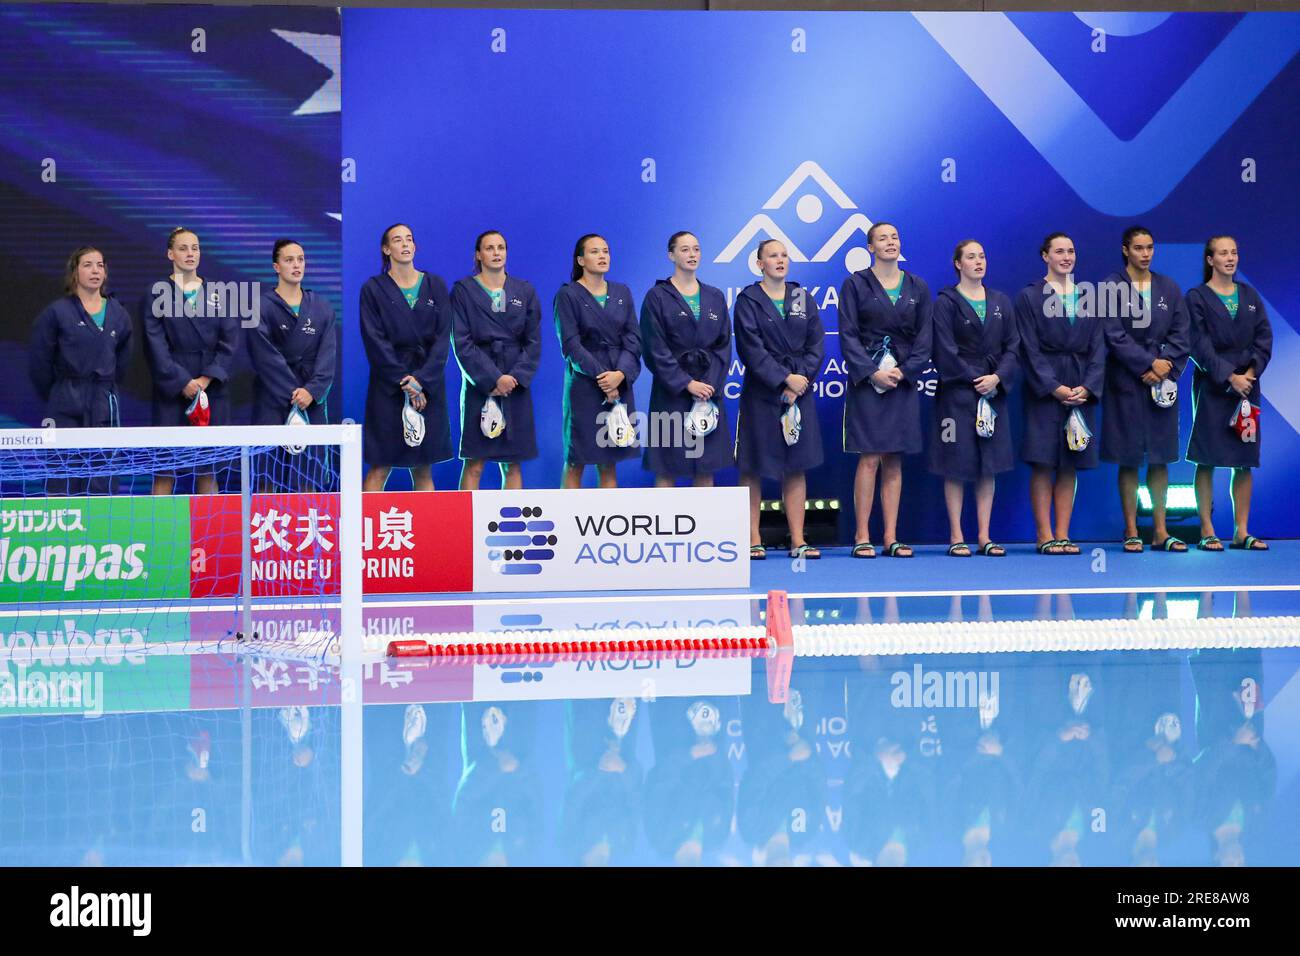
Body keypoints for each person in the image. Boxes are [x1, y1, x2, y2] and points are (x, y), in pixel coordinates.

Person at [839, 222, 932, 558]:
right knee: (870, 458)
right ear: (870, 247)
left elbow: (925, 337)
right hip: (869, 382)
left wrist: (905, 371)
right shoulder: (855, 284)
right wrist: (871, 372)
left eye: (895, 237)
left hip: (901, 381)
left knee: (894, 459)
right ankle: (862, 535)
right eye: (882, 238)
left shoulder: (917, 286)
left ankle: (891, 535)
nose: (890, 242)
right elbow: (847, 334)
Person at [1099, 227, 1190, 553]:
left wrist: (1166, 364)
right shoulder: (1111, 287)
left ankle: (1161, 531)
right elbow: (1113, 334)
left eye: (1150, 247)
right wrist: (1145, 365)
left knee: (1160, 458)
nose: (1146, 253)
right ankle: (1131, 528)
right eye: (1139, 248)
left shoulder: (1168, 287)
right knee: (1129, 458)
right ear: (1126, 250)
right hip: (1126, 381)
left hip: (1161, 383)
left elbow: (1182, 332)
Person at [733, 239, 825, 560]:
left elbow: (816, 343)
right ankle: (753, 538)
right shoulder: (748, 300)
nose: (780, 260)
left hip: (799, 392)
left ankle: (798, 539)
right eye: (773, 255)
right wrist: (783, 378)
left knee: (796, 465)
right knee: (753, 465)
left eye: (784, 255)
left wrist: (799, 380)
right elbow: (750, 348)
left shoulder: (802, 297)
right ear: (760, 263)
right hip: (763, 392)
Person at [1014, 232, 1105, 555]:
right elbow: (1028, 347)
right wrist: (1054, 387)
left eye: (1071, 251)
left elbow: (1098, 348)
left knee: (1069, 463)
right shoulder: (1029, 296)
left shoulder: (1088, 297)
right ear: (1045, 256)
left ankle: (1064, 534)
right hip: (1046, 389)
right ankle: (1044, 534)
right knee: (1043, 461)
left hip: (1080, 386)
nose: (1066, 257)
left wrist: (1088, 387)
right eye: (1059, 251)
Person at [926, 240, 1019, 557]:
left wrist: (997, 378)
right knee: (955, 464)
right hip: (955, 395)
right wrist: (972, 378)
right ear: (957, 264)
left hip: (992, 392)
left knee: (987, 465)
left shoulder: (1001, 301)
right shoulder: (946, 302)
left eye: (982, 256)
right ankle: (956, 535)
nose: (978, 262)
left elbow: (1013, 347)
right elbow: (943, 349)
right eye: (971, 257)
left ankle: (984, 535)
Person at [1185, 236, 1272, 552]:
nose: (1230, 258)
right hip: (1214, 385)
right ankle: (1207, 530)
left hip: (1247, 388)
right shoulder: (1196, 297)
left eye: (1234, 252)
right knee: (1205, 459)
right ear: (1210, 259)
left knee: (1244, 461)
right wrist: (1228, 376)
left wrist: (1248, 374)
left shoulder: (1250, 296)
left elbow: (1264, 338)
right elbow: (1197, 344)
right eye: (1223, 253)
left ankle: (1241, 531)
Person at [142, 226, 239, 495]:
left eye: (195, 248)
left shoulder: (220, 293)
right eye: (183, 248)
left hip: (212, 390)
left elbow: (230, 342)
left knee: (208, 468)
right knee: (165, 467)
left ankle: (209, 536)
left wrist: (206, 379)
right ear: (170, 254)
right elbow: (155, 343)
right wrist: (182, 381)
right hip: (172, 389)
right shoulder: (157, 293)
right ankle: (157, 532)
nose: (190, 253)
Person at [29, 246, 133, 495]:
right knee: (62, 471)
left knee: (102, 472)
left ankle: (101, 531)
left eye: (100, 265)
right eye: (87, 265)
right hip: (65, 399)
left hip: (104, 400)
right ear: (74, 272)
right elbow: (40, 363)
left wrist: (104, 387)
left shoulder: (119, 313)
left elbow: (123, 361)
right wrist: (60, 392)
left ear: (106, 273)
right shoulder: (56, 312)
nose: (95, 270)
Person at [359, 223, 453, 491]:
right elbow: (374, 340)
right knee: (380, 465)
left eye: (409, 239)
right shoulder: (373, 289)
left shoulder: (435, 284)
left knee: (423, 466)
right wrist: (405, 381)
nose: (405, 244)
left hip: (427, 383)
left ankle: (427, 531)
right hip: (388, 385)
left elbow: (443, 337)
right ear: (386, 249)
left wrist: (421, 380)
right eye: (398, 240)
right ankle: (365, 529)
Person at [639, 231, 733, 486]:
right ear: (671, 255)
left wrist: (709, 385)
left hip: (707, 391)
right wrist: (686, 383)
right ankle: (667, 524)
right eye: (685, 249)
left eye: (696, 249)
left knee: (705, 464)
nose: (692, 255)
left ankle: (704, 527)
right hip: (671, 392)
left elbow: (724, 346)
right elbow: (653, 348)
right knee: (667, 465)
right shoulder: (657, 296)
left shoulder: (714, 296)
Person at [450, 231, 542, 490]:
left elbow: (533, 341)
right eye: (489, 248)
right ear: (478, 255)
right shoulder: (463, 291)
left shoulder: (524, 290)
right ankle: (464, 525)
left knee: (512, 463)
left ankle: (512, 526)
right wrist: (492, 378)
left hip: (515, 382)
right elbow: (461, 342)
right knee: (475, 461)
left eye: (501, 247)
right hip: (481, 381)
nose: (496, 252)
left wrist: (514, 378)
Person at [249, 239, 338, 491]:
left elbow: (328, 356)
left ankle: (307, 527)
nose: (296, 265)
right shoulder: (260, 306)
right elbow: (263, 355)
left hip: (311, 400)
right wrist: (292, 391)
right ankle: (269, 529)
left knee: (309, 476)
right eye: (289, 260)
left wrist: (311, 391)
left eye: (300, 259)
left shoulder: (321, 307)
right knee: (268, 474)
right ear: (276, 266)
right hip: (273, 398)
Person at [554, 234, 641, 489]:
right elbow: (571, 345)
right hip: (584, 383)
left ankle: (607, 526)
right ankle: (567, 523)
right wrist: (604, 378)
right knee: (576, 459)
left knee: (609, 459)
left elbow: (633, 338)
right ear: (581, 259)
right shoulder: (567, 295)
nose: (602, 256)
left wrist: (620, 374)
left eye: (605, 251)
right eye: (595, 252)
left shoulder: (622, 292)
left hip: (619, 379)